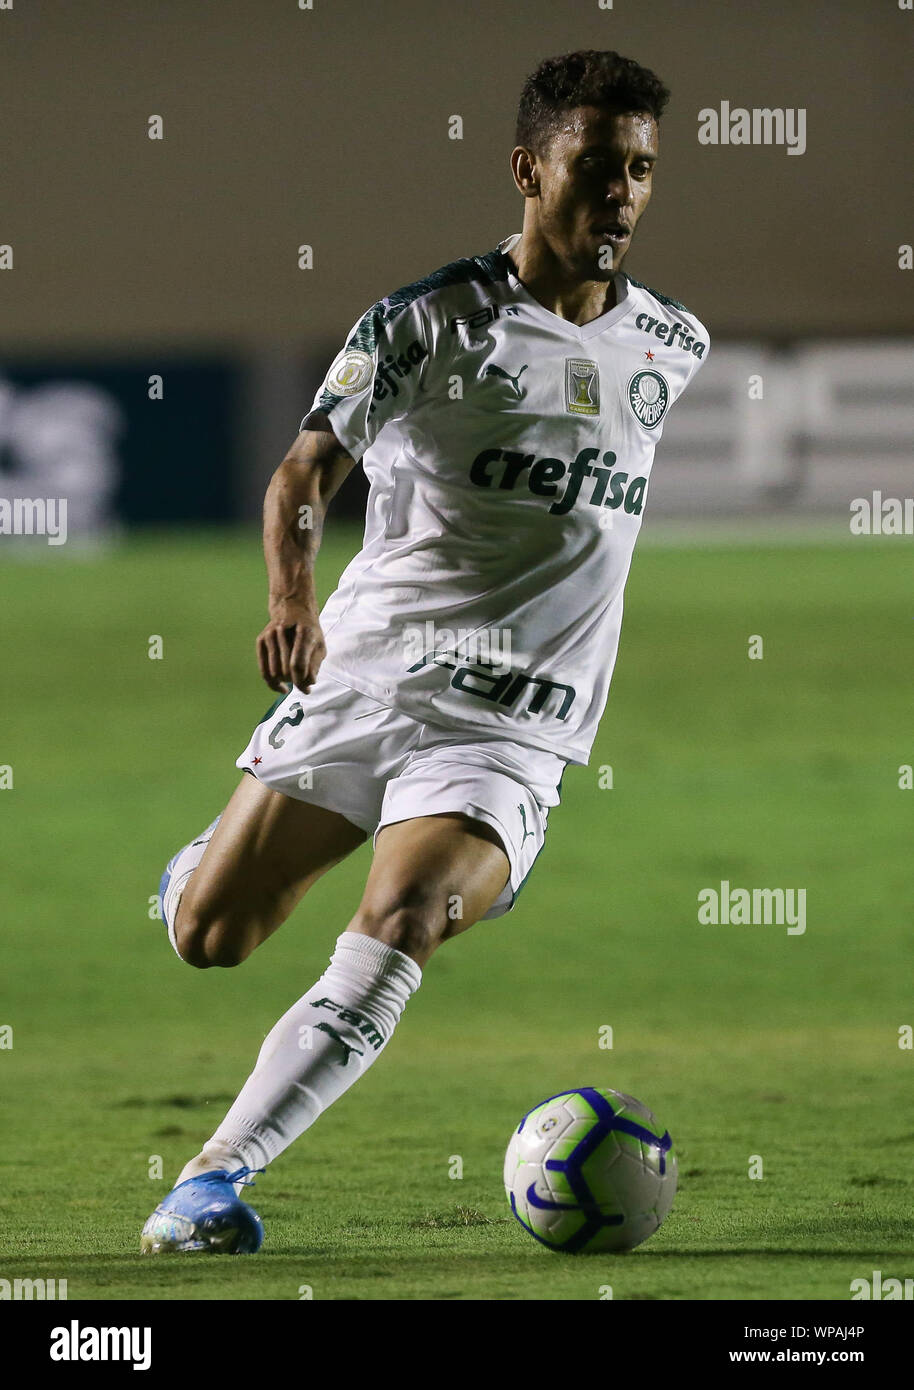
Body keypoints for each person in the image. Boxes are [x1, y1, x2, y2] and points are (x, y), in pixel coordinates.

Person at [141, 48, 710, 1254]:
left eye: (642, 173)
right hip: (369, 676)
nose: (620, 195)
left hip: (513, 721)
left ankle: (211, 1180)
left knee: (399, 916)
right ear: (528, 168)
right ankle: (199, 866)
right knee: (211, 934)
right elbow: (306, 469)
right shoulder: (427, 320)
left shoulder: (671, 343)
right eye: (597, 168)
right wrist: (291, 597)